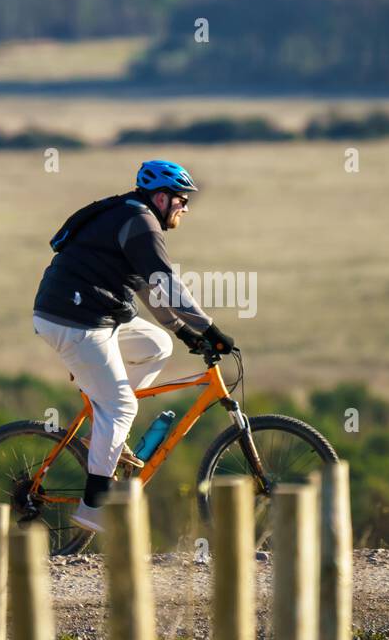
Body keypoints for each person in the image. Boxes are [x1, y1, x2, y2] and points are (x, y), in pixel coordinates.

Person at [32, 160, 237, 532]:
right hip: (75, 320)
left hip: (91, 315)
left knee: (156, 344)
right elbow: (167, 284)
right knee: (121, 405)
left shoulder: (132, 216)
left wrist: (180, 330)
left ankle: (104, 429)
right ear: (161, 197)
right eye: (181, 200)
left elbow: (146, 287)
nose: (185, 208)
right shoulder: (142, 224)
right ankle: (93, 505)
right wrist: (209, 328)